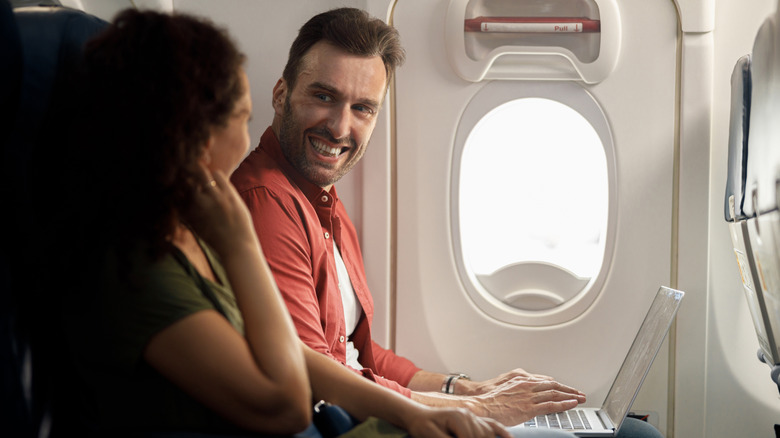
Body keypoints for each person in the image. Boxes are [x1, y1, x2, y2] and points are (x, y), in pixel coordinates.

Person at [51, 8, 527, 438]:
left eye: (363, 108)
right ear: (192, 140)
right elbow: (289, 402)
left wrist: (438, 402)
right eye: (243, 117)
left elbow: (317, 354)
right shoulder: (144, 270)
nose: (340, 128)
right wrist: (239, 248)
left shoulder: (194, 238)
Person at [230, 7, 663, 438]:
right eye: (324, 96)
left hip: (367, 409)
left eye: (362, 108)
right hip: (347, 423)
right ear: (281, 94)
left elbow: (360, 355)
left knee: (626, 433)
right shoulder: (267, 202)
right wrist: (477, 407)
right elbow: (320, 374)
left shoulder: (321, 200)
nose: (340, 127)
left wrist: (461, 386)